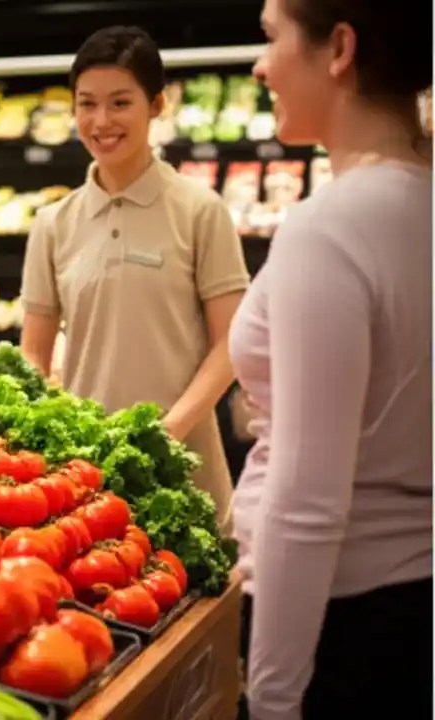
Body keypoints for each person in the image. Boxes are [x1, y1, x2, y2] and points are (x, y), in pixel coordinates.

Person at [231, 0, 433, 717]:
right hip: (412, 614)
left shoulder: (332, 225)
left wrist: (274, 698)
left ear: (339, 48)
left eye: (271, 36)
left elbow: (308, 500)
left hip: (334, 629)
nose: (261, 66)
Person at [20, 25, 249, 528]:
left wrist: (168, 432)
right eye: (87, 103)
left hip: (186, 472)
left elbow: (232, 342)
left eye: (120, 103)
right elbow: (33, 354)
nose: (101, 121)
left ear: (157, 105)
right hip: (86, 474)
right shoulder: (52, 224)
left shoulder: (200, 211)